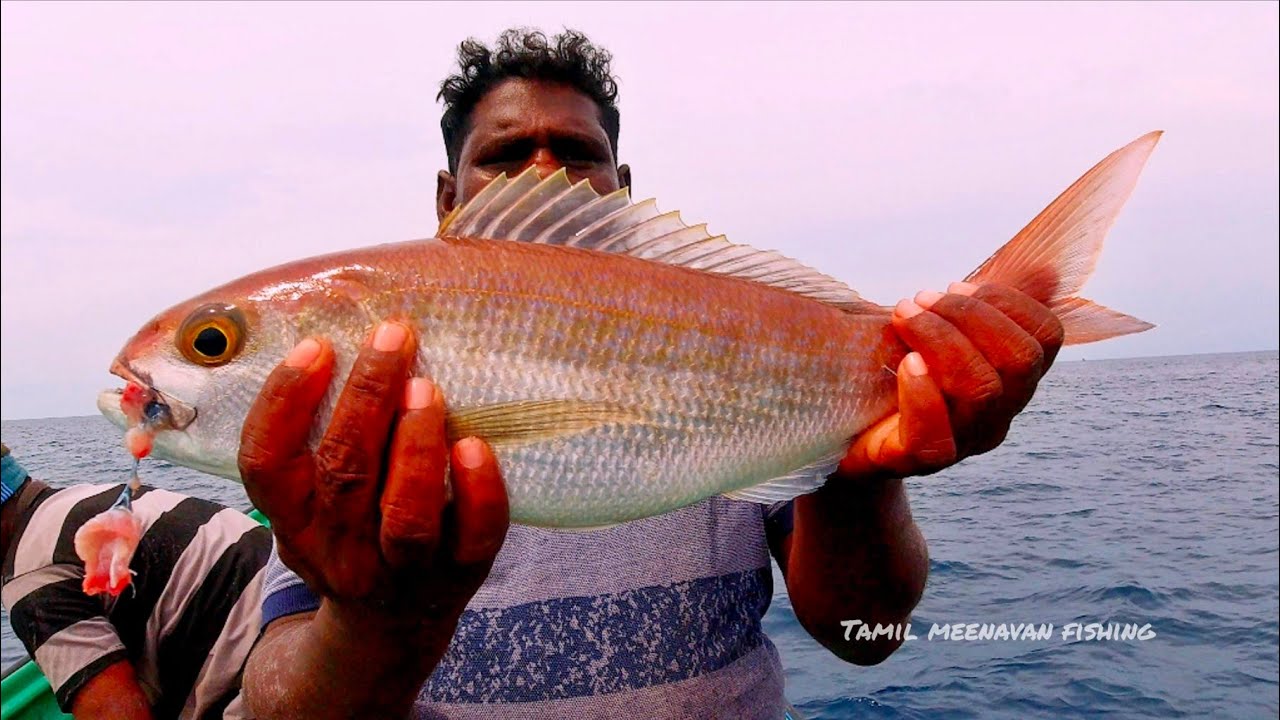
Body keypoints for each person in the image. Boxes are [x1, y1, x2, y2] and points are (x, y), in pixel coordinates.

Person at [241, 28, 1065, 719]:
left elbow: (867, 637)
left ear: (622, 191)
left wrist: (855, 475)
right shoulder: (354, 418)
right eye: (503, 156)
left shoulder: (730, 328)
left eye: (576, 152)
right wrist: (379, 618)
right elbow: (279, 705)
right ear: (445, 198)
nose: (543, 174)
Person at [1, 443, 272, 719]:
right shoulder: (90, 499)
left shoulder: (31, 576)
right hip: (302, 612)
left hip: (273, 683)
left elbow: (118, 713)